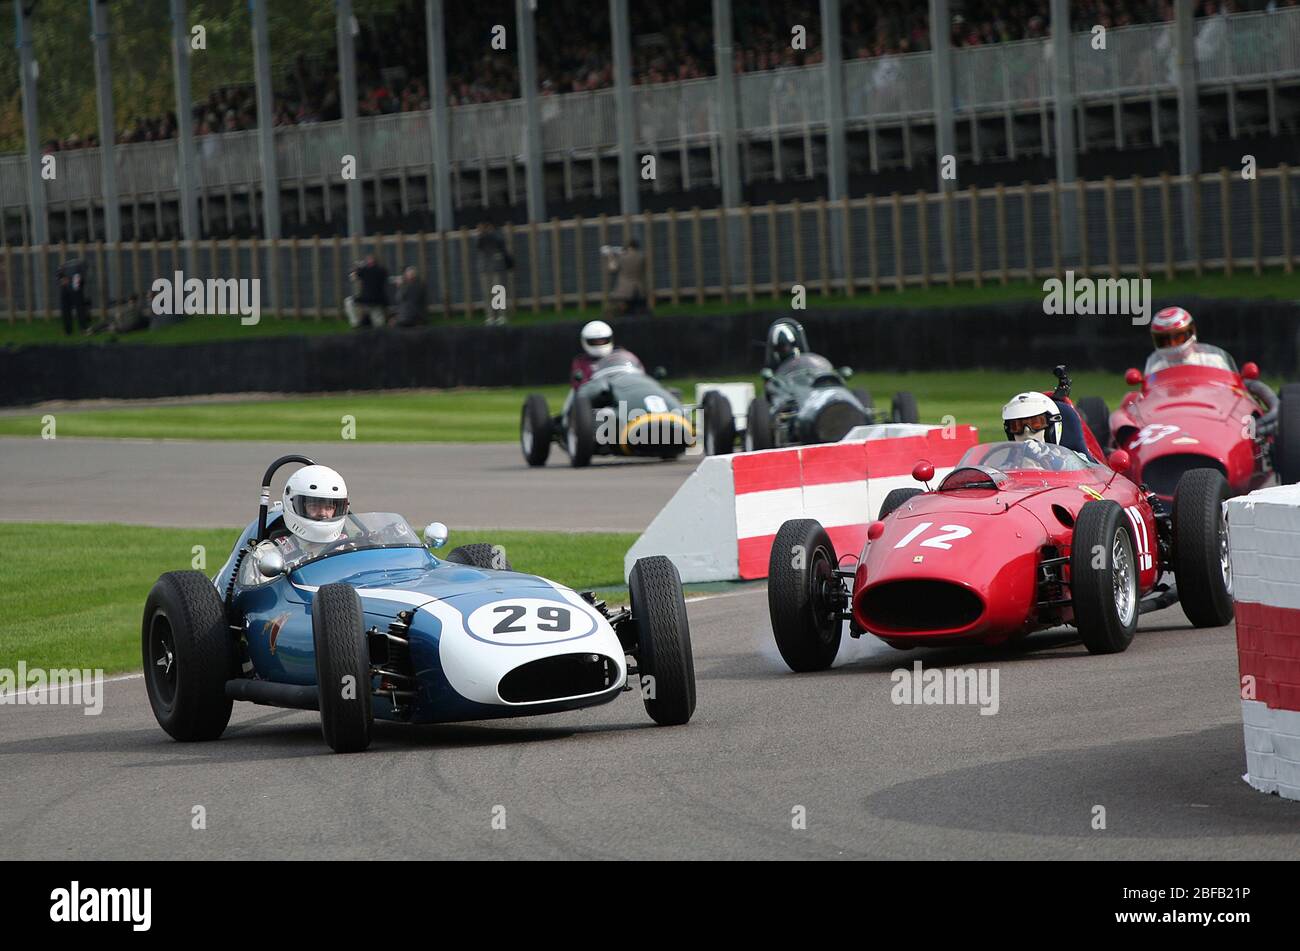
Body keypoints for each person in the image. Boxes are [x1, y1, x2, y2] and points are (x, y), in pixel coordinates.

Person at [1147, 306, 1230, 369]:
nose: (1172, 344)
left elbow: (1230, 389)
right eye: (1164, 340)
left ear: (1191, 332)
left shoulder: (1212, 362)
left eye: (1177, 338)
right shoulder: (1158, 369)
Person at [570, 319, 641, 388]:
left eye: (603, 340)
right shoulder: (581, 362)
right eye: (595, 341)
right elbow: (579, 386)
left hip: (622, 393)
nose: (599, 343)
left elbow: (638, 375)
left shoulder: (622, 355)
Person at [475, 221, 513, 325]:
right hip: (485, 268)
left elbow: (500, 244)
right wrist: (481, 234)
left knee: (498, 291)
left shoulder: (498, 234)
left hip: (497, 266)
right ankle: (491, 316)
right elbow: (478, 246)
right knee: (487, 293)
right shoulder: (480, 236)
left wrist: (489, 233)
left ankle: (502, 316)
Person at [345, 255, 389, 329]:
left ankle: (355, 323)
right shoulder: (382, 270)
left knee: (348, 302)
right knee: (378, 323)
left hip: (367, 299)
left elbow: (352, 277)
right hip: (379, 300)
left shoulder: (364, 270)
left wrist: (357, 268)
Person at [605, 239, 647, 317]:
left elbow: (612, 268)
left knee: (619, 310)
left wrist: (610, 256)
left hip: (624, 291)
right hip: (639, 289)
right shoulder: (641, 257)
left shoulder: (623, 257)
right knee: (638, 312)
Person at [57, 259, 90, 335]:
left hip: (72, 285)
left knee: (76, 307)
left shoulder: (77, 268)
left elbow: (79, 281)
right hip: (70, 286)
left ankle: (77, 329)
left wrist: (74, 285)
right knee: (73, 307)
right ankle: (76, 329)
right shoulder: (68, 268)